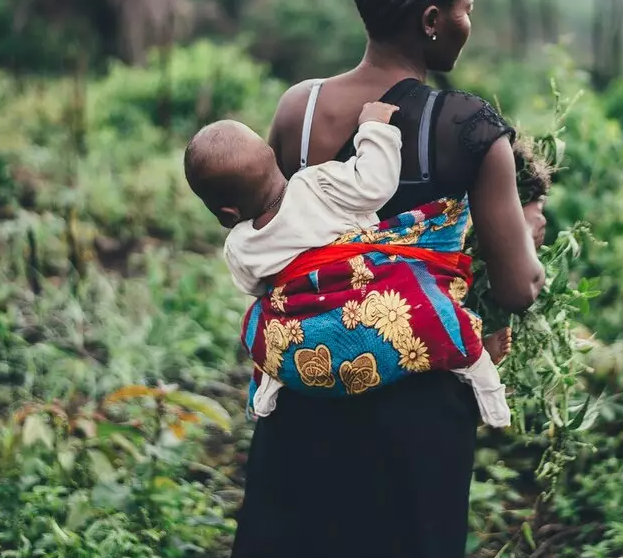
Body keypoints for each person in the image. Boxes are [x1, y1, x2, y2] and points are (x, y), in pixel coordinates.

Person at [223, 0, 545, 558]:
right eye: (465, 10)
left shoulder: (298, 112)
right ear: (432, 20)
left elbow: (283, 232)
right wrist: (528, 236)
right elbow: (517, 290)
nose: (466, 23)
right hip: (415, 413)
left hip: (305, 390)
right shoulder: (470, 130)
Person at [182, 101, 511, 427]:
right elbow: (375, 184)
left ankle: (268, 388)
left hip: (307, 342)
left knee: (259, 323)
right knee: (431, 310)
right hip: (369, 308)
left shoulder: (239, 245)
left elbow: (257, 288)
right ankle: (484, 379)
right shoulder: (317, 184)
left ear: (227, 214)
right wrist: (374, 128)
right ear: (272, 156)